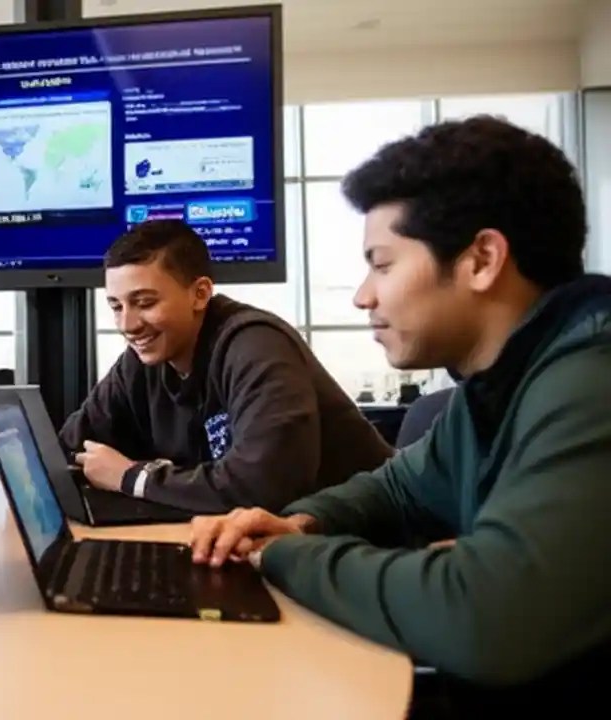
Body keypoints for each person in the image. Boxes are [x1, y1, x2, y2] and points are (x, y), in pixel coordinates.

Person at [187, 116, 611, 713]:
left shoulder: (591, 381)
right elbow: (398, 489)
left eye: (382, 264)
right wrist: (299, 523)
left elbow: (485, 621)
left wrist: (281, 555)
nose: (364, 295)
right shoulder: (498, 387)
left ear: (482, 259)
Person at [60, 219, 392, 515]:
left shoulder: (256, 345)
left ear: (200, 293)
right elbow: (70, 447)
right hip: (272, 543)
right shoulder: (142, 359)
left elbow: (263, 485)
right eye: (116, 306)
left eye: (145, 303)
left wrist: (132, 477)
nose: (128, 324)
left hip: (372, 537)